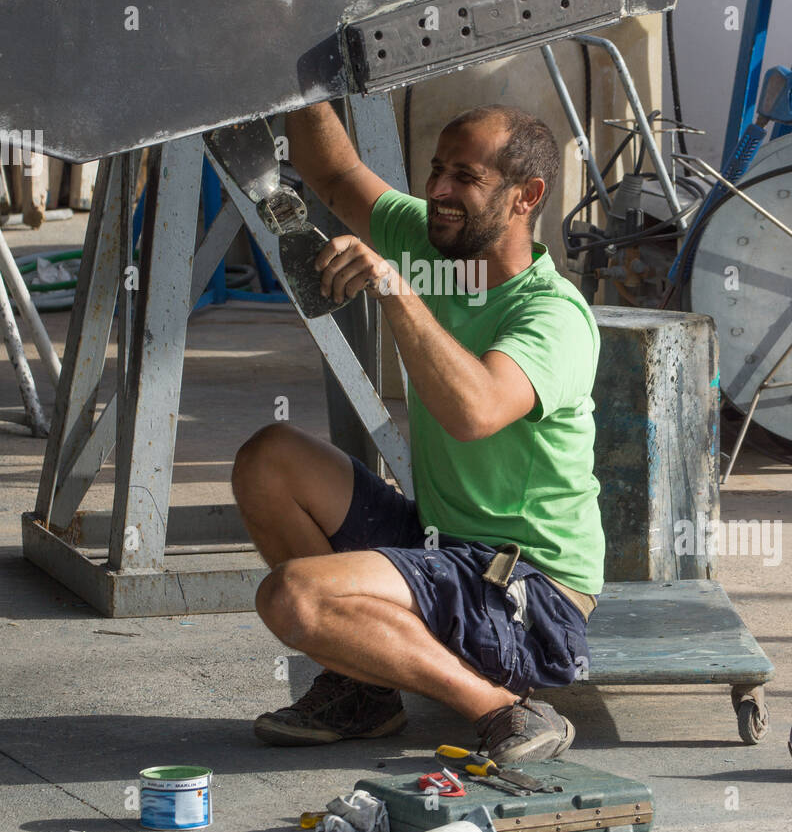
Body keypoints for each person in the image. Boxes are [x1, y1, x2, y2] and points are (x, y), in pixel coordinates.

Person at [232, 100, 605, 765]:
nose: (438, 191)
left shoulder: (554, 316)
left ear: (528, 196)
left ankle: (506, 712)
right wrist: (296, 68)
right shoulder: (430, 237)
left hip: (527, 593)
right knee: (269, 459)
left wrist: (396, 291)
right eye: (436, 170)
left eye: (466, 177)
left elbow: (474, 412)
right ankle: (366, 691)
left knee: (294, 597)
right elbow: (336, 173)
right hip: (446, 545)